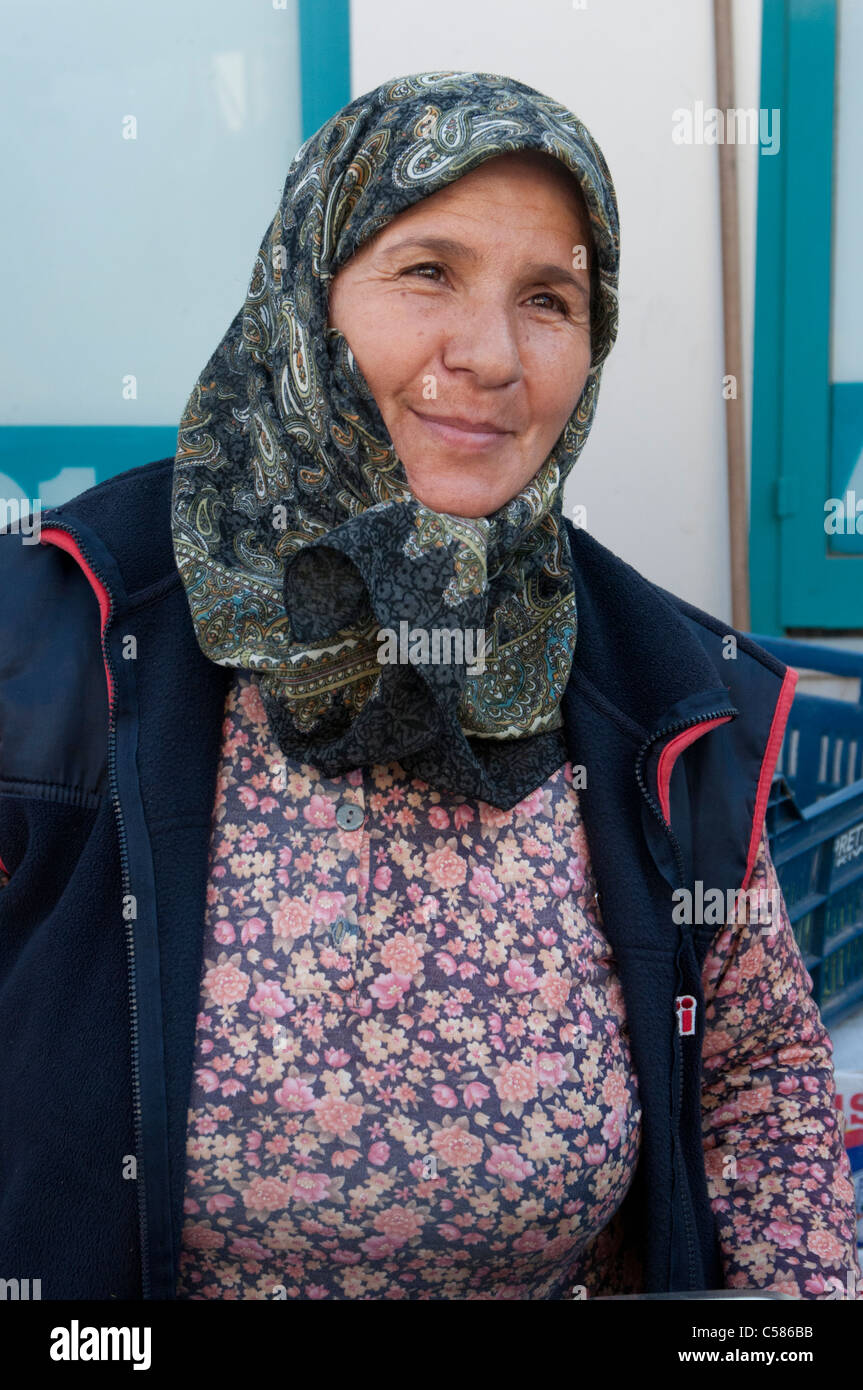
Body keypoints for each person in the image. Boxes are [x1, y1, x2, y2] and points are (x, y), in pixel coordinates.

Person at [0, 69, 859, 1302]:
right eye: (427, 273)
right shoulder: (63, 627)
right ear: (308, 289)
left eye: (549, 300)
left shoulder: (657, 688)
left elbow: (758, 1083)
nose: (491, 355)